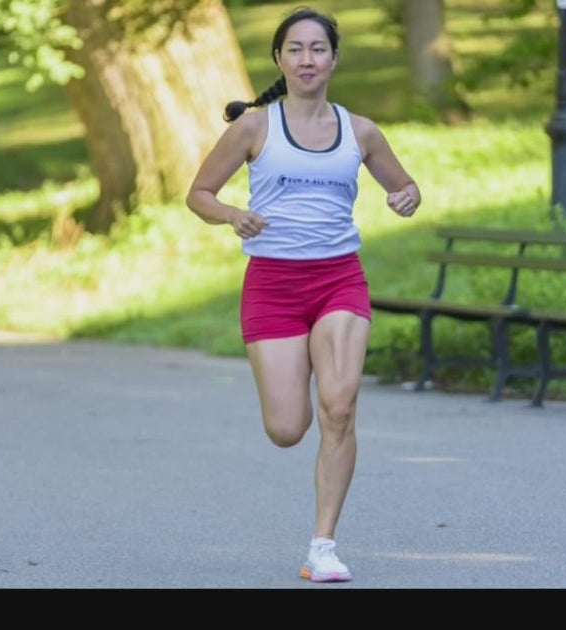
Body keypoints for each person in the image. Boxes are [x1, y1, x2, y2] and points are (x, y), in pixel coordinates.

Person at [185, 6, 420, 583]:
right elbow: (199, 193)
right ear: (280, 59)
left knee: (338, 409)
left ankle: (323, 547)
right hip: (273, 285)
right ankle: (297, 384)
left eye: (318, 49)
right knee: (288, 428)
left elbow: (404, 182)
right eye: (296, 49)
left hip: (339, 279)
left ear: (334, 59)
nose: (307, 58)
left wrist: (407, 195)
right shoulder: (254, 127)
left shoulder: (361, 131)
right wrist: (232, 215)